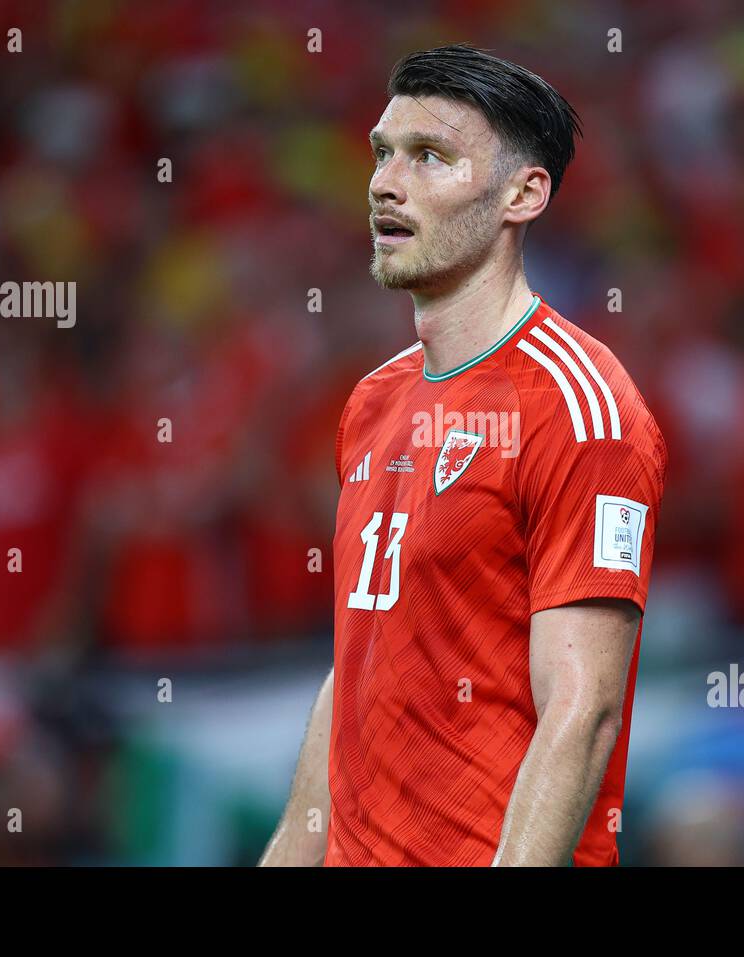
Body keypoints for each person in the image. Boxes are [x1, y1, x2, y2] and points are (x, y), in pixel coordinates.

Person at [259, 43, 667, 866]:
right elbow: (355, 668)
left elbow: (581, 711)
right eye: (383, 152)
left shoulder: (582, 408)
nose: (384, 182)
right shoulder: (373, 401)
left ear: (525, 193)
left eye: (430, 156)